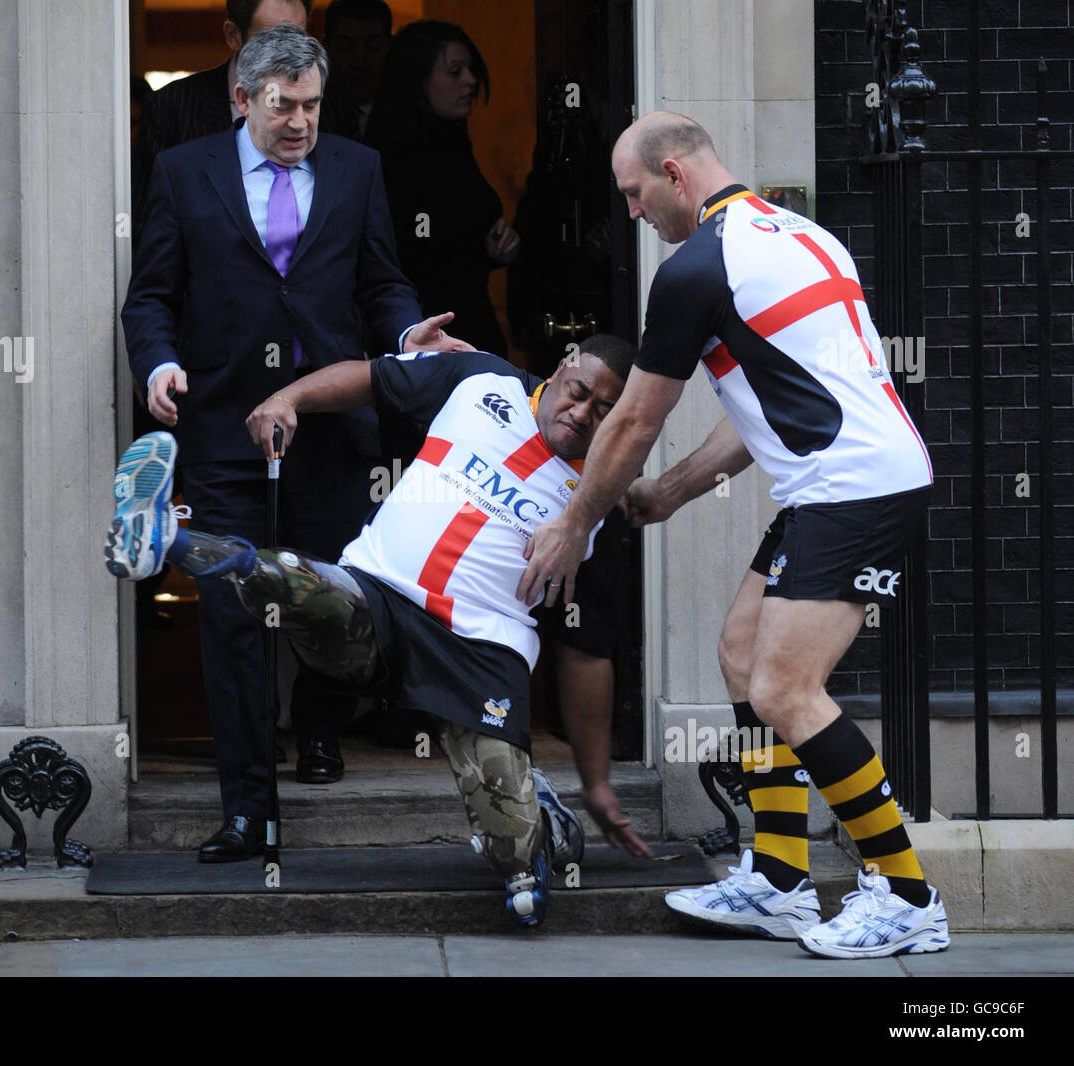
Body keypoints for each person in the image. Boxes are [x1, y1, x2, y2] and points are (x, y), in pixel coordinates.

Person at [517, 111, 949, 959]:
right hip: (844, 480)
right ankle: (782, 881)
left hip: (854, 489)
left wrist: (576, 523)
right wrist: (673, 493)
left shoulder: (697, 269)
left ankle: (906, 894)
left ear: (674, 175)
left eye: (636, 195)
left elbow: (638, 417)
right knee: (742, 655)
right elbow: (767, 407)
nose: (634, 214)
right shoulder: (802, 236)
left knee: (788, 688)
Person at [103, 336, 649, 926]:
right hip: (379, 595)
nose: (582, 414)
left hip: (480, 653)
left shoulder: (596, 504)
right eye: (579, 393)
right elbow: (370, 377)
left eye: (603, 411)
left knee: (520, 882)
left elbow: (587, 653)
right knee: (304, 587)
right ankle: (167, 540)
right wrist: (289, 397)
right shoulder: (480, 380)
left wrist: (596, 783)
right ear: (563, 365)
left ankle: (538, 818)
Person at [122, 25, 470, 860]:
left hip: (327, 430)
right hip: (223, 432)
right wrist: (159, 364)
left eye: (312, 106)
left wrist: (405, 336)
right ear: (243, 99)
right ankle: (249, 809)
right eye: (284, 106)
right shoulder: (183, 171)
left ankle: (319, 733)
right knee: (232, 624)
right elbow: (151, 296)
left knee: (337, 602)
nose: (300, 123)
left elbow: (380, 282)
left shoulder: (357, 169)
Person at [365, 20, 519, 358]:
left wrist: (492, 250)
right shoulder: (389, 160)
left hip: (469, 326)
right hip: (423, 338)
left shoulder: (453, 144)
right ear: (417, 79)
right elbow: (408, 255)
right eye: (454, 72)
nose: (470, 80)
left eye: (470, 69)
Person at [131, 0, 312, 227]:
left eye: (297, 39)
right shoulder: (172, 108)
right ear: (233, 36)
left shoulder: (327, 107)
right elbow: (147, 227)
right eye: (270, 42)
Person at [321, 0, 393, 141]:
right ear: (325, 47)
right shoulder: (307, 114)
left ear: (390, 46)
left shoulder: (412, 115)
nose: (359, 62)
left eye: (373, 47)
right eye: (345, 47)